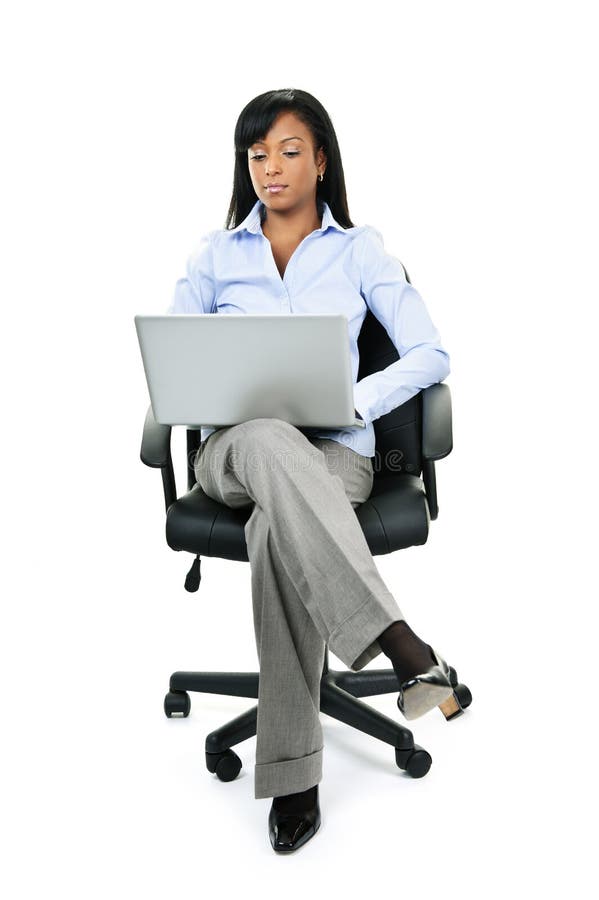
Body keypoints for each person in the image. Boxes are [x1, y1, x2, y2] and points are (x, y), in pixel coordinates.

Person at [168, 88, 454, 853]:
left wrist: (359, 399)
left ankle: (293, 776)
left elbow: (430, 352)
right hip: (234, 451)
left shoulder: (361, 251)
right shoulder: (212, 256)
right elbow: (172, 366)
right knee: (263, 437)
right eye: (256, 155)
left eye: (288, 151)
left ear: (320, 159)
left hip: (335, 451)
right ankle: (403, 650)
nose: (270, 168)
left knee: (276, 528)